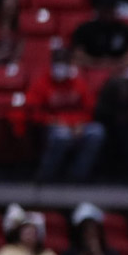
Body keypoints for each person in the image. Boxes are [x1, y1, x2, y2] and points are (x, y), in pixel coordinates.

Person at [28, 54, 105, 183]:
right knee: (62, 135)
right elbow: (34, 110)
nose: (60, 68)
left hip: (77, 125)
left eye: (64, 64)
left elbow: (89, 108)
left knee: (97, 131)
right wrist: (51, 120)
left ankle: (77, 176)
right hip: (53, 125)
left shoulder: (78, 83)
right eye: (58, 64)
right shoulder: (42, 83)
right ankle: (46, 176)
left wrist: (81, 123)